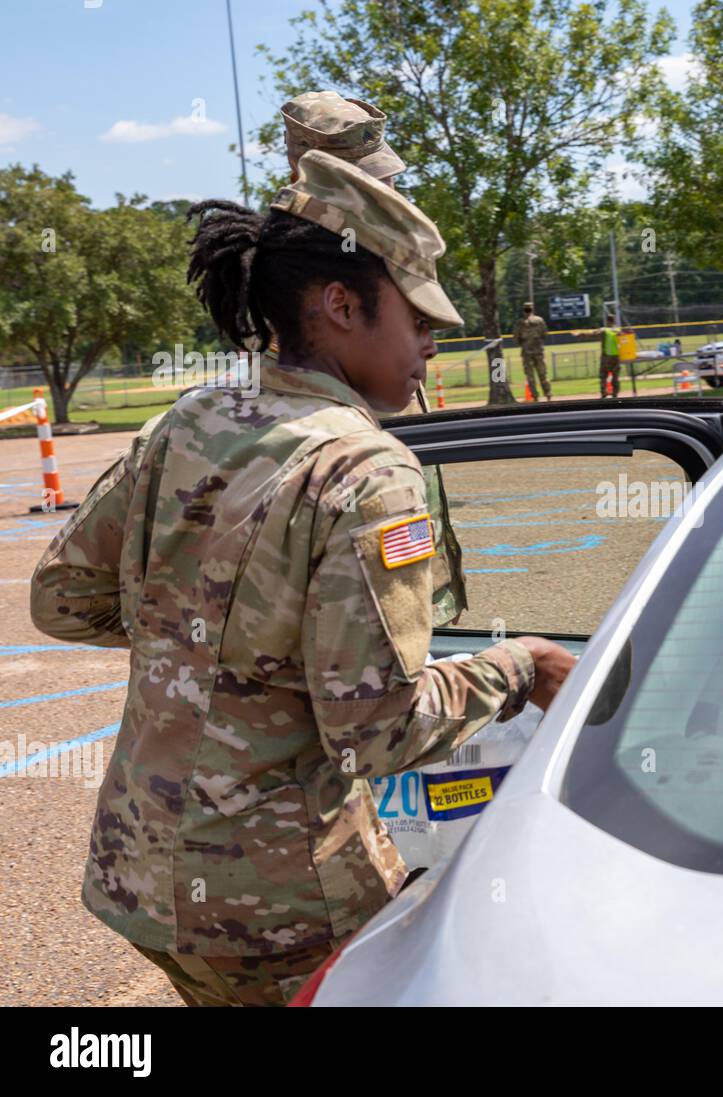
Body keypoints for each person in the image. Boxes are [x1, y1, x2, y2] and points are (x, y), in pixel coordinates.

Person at [29, 150, 576, 1006]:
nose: (435, 344)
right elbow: (377, 731)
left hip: (143, 873)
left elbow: (62, 597)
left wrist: (201, 639)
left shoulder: (194, 415)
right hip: (281, 907)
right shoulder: (367, 469)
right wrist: (526, 666)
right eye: (421, 320)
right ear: (341, 305)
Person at [279, 89, 467, 625]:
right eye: (372, 180)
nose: (391, 190)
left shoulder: (375, 254)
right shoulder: (290, 273)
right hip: (355, 606)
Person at [513, 302, 551, 401]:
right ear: (532, 309)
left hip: (526, 352)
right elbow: (545, 334)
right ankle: (548, 394)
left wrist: (523, 343)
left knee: (530, 376)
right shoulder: (539, 320)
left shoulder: (520, 323)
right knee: (543, 374)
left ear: (523, 310)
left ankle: (535, 396)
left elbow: (516, 338)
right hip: (539, 350)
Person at [598, 323, 621, 398]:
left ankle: (604, 393)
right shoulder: (618, 331)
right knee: (615, 376)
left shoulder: (604, 330)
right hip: (616, 357)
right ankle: (615, 394)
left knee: (603, 376)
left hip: (606, 357)